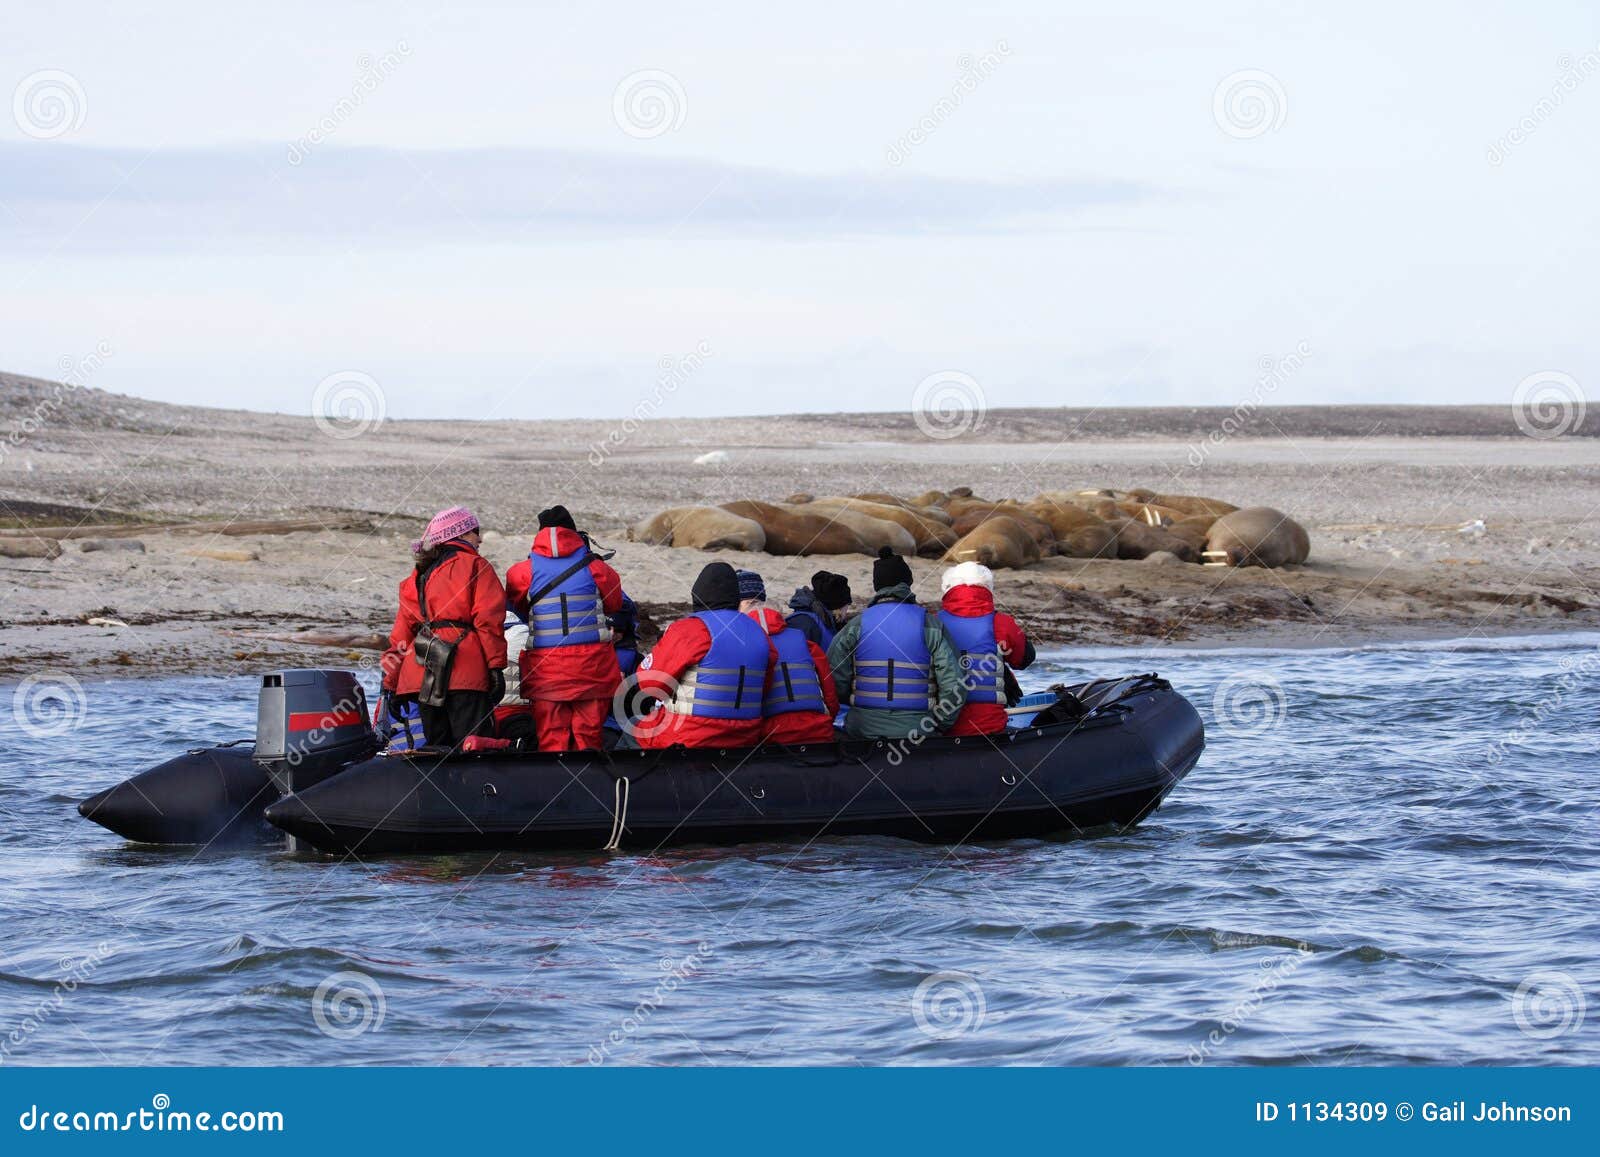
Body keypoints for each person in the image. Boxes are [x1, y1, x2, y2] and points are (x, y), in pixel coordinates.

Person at [379, 506, 508, 749]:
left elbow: (400, 638)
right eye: (474, 532)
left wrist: (391, 685)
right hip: (466, 673)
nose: (479, 539)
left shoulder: (414, 578)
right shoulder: (475, 566)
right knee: (474, 747)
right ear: (458, 534)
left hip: (423, 675)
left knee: (436, 750)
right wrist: (496, 667)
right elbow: (489, 623)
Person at [504, 505, 624, 751]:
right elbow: (615, 604)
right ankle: (590, 781)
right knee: (589, 736)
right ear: (576, 533)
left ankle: (554, 784)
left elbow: (517, 606)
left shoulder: (521, 572)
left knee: (551, 738)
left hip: (546, 669)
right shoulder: (597, 568)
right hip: (593, 669)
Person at [826, 547, 966, 741]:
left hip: (862, 729)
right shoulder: (931, 625)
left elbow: (834, 680)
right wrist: (941, 724)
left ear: (877, 586)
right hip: (919, 730)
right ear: (907, 584)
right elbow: (954, 684)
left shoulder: (855, 626)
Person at [632, 562, 776, 750]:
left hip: (689, 737)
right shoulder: (759, 633)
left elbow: (649, 684)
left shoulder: (690, 629)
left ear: (698, 595)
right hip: (744, 737)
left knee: (634, 730)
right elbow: (765, 687)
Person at [738, 569, 839, 745]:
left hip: (771, 737)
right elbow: (831, 695)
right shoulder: (805, 643)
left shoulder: (743, 645)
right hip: (819, 731)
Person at [938, 561, 1036, 736]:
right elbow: (1024, 659)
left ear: (948, 588)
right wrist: (1001, 667)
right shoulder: (1001, 622)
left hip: (940, 728)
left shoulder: (933, 623)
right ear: (987, 588)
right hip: (989, 726)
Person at [786, 571, 852, 649]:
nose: (846, 611)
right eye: (847, 605)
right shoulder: (804, 623)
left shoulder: (828, 621)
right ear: (838, 607)